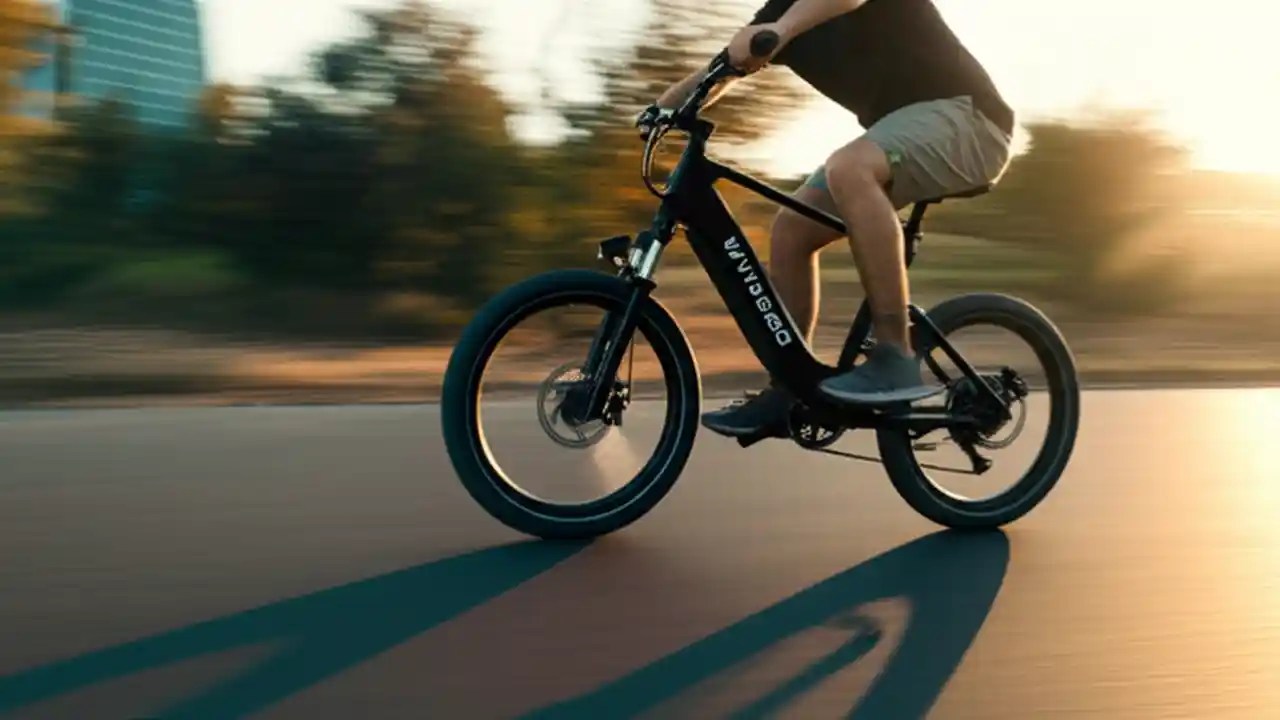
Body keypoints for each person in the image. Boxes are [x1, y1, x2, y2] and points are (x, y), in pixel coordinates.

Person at [645, 0, 1015, 439]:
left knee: (849, 168)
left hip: (971, 119)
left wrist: (783, 30)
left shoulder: (789, 19)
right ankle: (790, 387)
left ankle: (895, 353)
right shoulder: (778, 15)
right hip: (909, 128)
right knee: (791, 229)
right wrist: (661, 111)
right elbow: (724, 67)